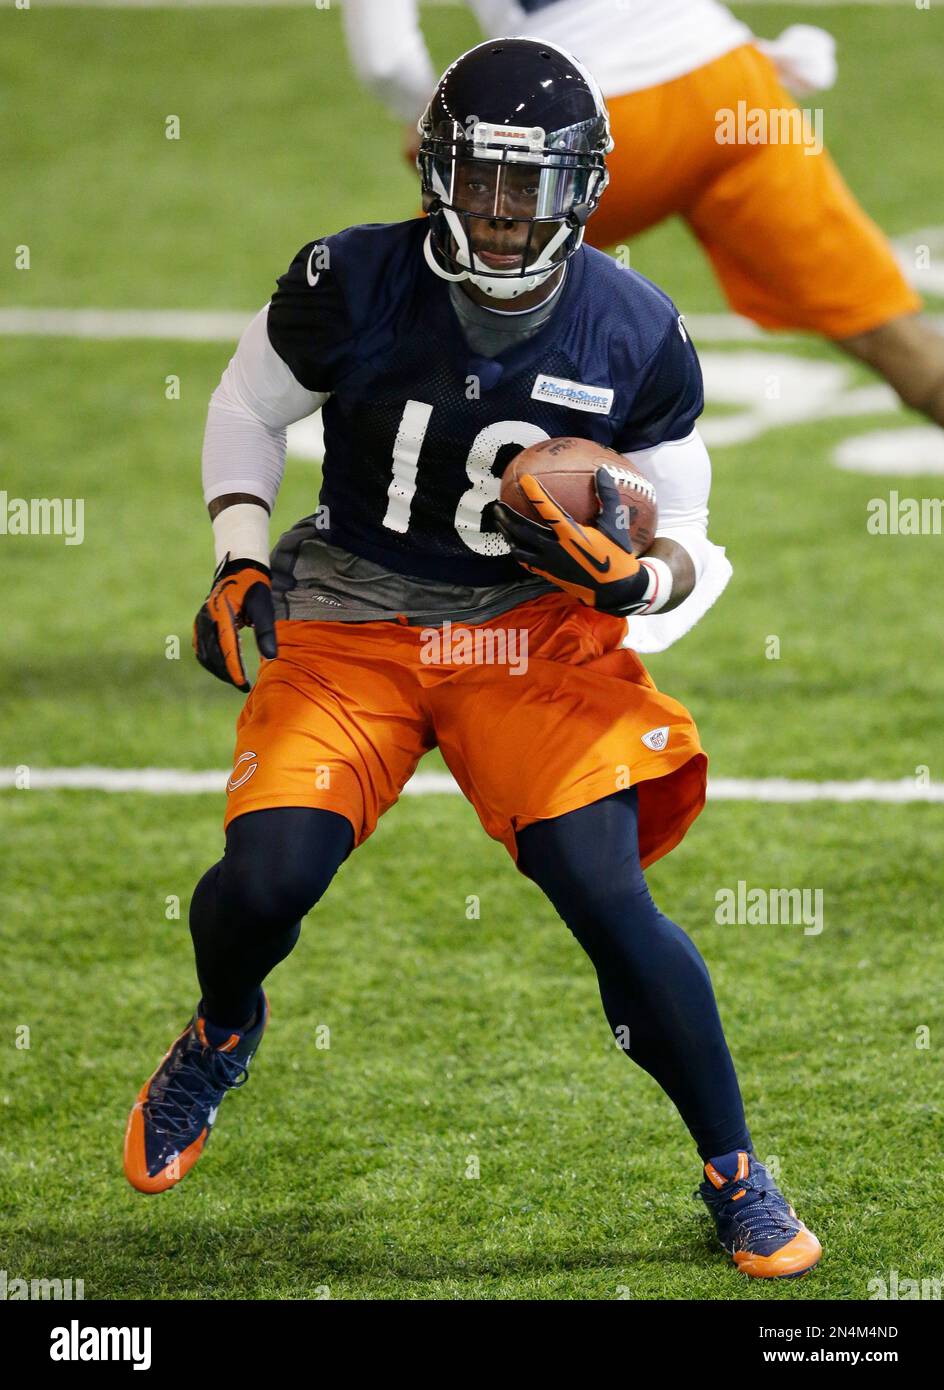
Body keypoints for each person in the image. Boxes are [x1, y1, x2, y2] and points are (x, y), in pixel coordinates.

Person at [123, 38, 821, 1280]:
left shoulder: (635, 325)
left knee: (608, 896)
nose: (503, 211)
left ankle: (735, 1167)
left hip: (530, 634)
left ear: (584, 188)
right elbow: (246, 404)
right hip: (352, 617)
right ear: (437, 168)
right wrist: (237, 557)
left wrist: (642, 582)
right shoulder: (354, 275)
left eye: (531, 184)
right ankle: (224, 1028)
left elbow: (697, 541)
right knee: (266, 877)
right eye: (482, 177)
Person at [344, 0, 944, 430]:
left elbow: (384, 57)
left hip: (584, 114)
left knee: (411, 328)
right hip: (728, 83)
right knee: (888, 332)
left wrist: (432, 116)